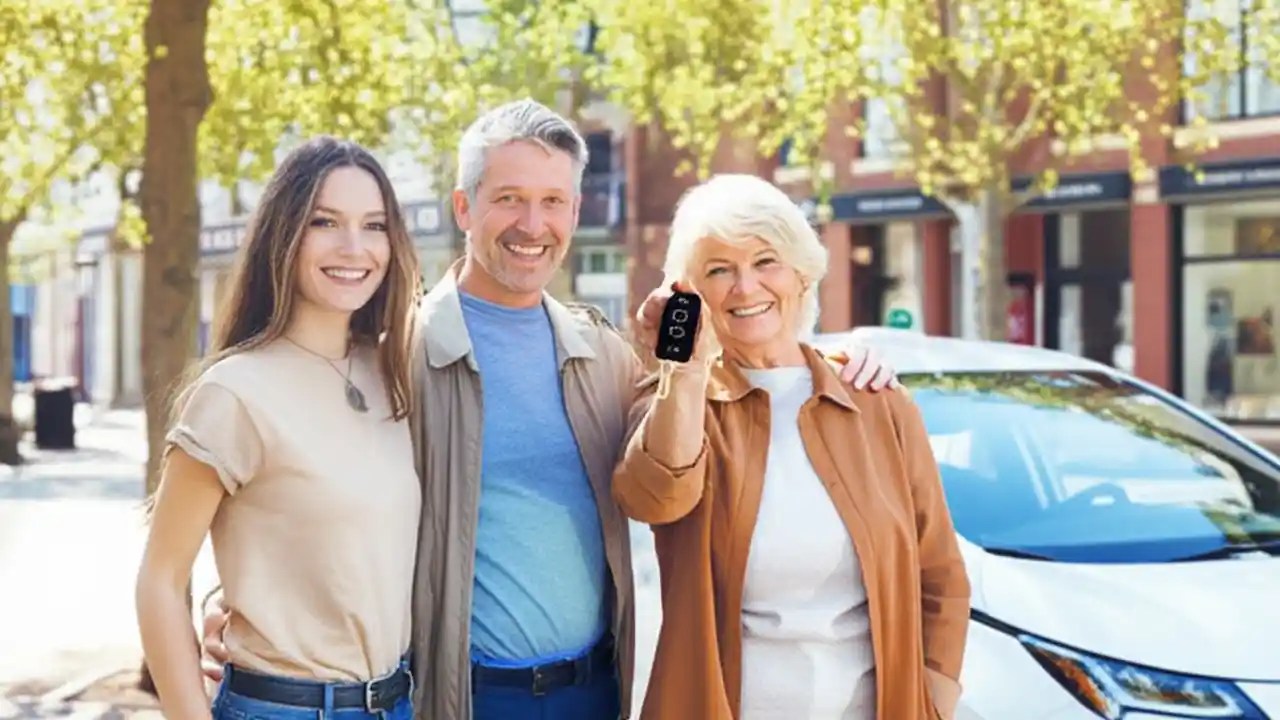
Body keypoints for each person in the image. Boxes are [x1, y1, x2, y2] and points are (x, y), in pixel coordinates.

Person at [200, 99, 900, 720]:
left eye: (554, 201)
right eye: (509, 198)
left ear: (574, 211)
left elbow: (673, 478)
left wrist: (826, 364)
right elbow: (294, 496)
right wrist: (227, 606)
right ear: (464, 209)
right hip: (458, 696)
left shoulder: (602, 355)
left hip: (592, 692)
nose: (533, 225)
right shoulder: (394, 356)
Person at [618, 173, 971, 720]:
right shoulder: (679, 404)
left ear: (802, 275)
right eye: (718, 271)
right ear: (691, 292)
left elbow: (941, 574)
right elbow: (656, 497)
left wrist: (934, 701)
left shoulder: (876, 401)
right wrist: (683, 369)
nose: (745, 287)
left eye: (765, 262)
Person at [136, 137, 423, 720]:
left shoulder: (393, 372)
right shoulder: (236, 392)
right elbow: (160, 581)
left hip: (394, 703)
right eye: (325, 222)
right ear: (284, 234)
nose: (353, 247)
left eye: (373, 225)